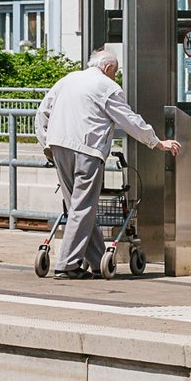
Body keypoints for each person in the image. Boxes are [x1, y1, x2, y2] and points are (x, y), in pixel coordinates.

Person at [35, 48, 181, 279]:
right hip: (87, 150)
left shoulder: (68, 80)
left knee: (79, 209)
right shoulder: (107, 86)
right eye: (115, 71)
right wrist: (156, 142)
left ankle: (96, 262)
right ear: (108, 67)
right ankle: (67, 265)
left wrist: (47, 145)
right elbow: (129, 119)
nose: (115, 76)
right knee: (82, 208)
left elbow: (42, 113)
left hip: (59, 147)